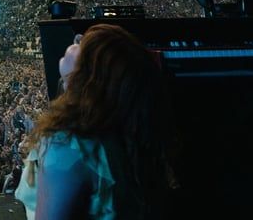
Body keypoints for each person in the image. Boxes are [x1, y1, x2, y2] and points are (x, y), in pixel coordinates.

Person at [15, 24, 173, 220]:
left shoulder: (68, 145)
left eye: (86, 44)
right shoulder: (124, 130)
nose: (78, 37)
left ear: (90, 76)